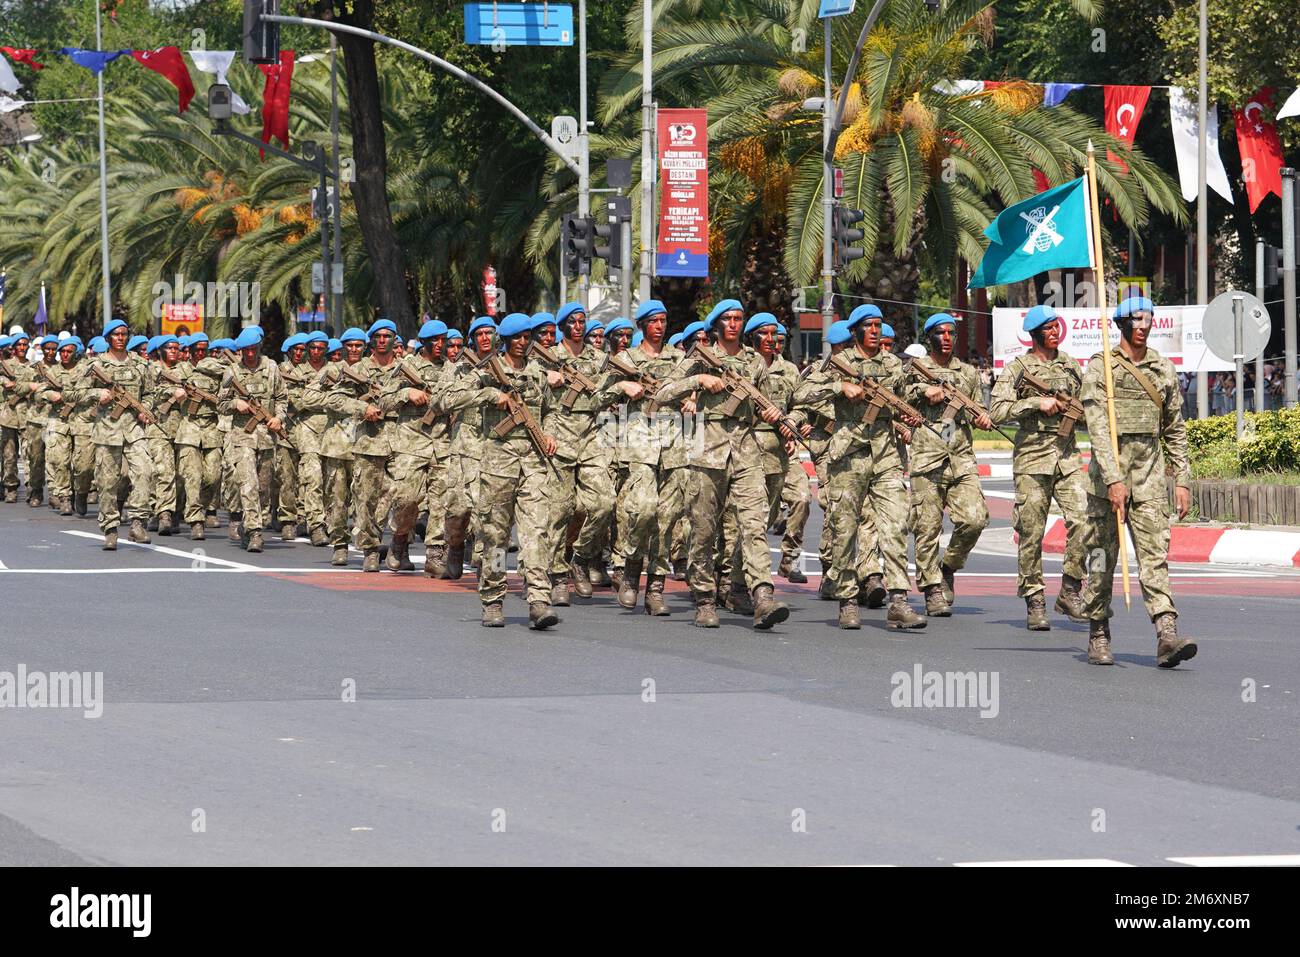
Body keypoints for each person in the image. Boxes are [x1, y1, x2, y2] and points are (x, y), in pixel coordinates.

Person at [653, 299, 790, 630]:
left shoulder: (755, 361)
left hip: (746, 452)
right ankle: (704, 598)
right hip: (707, 453)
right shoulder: (699, 357)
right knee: (704, 529)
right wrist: (697, 382)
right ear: (716, 324)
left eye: (738, 318)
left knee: (754, 525)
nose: (733, 323)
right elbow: (661, 393)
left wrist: (771, 414)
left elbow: (762, 402)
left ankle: (762, 596)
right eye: (727, 318)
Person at [1080, 295, 1197, 668]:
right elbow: (1098, 428)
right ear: (1122, 325)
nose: (1144, 326)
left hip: (1148, 479)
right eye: (1136, 320)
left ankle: (1166, 633)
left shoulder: (1162, 368)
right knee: (1100, 559)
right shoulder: (1102, 367)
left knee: (1155, 558)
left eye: (1148, 319)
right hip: (1106, 483)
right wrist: (1113, 479)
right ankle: (1098, 631)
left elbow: (1174, 428)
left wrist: (1181, 479)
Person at [443, 312, 561, 630]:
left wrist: (549, 434)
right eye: (517, 338)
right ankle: (493, 599)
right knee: (494, 537)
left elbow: (550, 410)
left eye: (527, 337)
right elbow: (447, 398)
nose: (523, 343)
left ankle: (538, 599)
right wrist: (490, 395)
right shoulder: (485, 373)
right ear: (505, 341)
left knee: (536, 532)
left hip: (534, 464)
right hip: (497, 465)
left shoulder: (537, 374)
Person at [989, 304, 1088, 630]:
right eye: (1047, 327)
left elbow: (1089, 407)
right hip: (1032, 459)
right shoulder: (1019, 367)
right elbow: (998, 410)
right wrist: (1037, 403)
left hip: (1068, 457)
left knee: (1084, 521)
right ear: (1034, 334)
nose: (1054, 331)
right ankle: (1034, 598)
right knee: (1031, 532)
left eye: (1056, 325)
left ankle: (1071, 588)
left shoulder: (1072, 366)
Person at [542, 302, 631, 606]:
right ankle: (555, 578)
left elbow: (601, 395)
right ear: (563, 326)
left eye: (582, 321)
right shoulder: (549, 357)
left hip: (592, 436)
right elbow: (530, 394)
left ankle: (580, 557)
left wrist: (622, 387)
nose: (579, 326)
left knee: (605, 503)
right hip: (559, 436)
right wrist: (545, 381)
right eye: (574, 322)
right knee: (560, 511)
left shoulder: (600, 358)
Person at [904, 313, 990, 617]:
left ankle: (949, 565)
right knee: (927, 527)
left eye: (951, 333)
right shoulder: (916, 370)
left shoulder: (967, 373)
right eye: (940, 333)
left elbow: (977, 409)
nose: (947, 338)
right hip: (928, 455)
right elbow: (898, 397)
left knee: (975, 519)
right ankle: (931, 589)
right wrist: (922, 391)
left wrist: (981, 417)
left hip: (960, 456)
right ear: (930, 337)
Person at [69, 319, 156, 549]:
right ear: (108, 338)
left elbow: (150, 393)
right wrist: (98, 393)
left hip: (134, 430)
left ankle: (138, 522)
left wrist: (144, 411)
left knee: (145, 471)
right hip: (107, 431)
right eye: (116, 334)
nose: (120, 337)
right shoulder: (95, 364)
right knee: (108, 483)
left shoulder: (140, 364)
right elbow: (73, 393)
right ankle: (110, 528)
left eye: (124, 334)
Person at [216, 325, 287, 553]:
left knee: (263, 488)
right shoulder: (232, 372)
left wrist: (279, 417)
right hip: (242, 437)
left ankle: (249, 525)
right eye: (245, 350)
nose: (249, 354)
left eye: (253, 349)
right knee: (248, 484)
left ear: (259, 347)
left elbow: (282, 397)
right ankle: (256, 532)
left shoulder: (272, 368)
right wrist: (236, 404)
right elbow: (220, 402)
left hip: (267, 438)